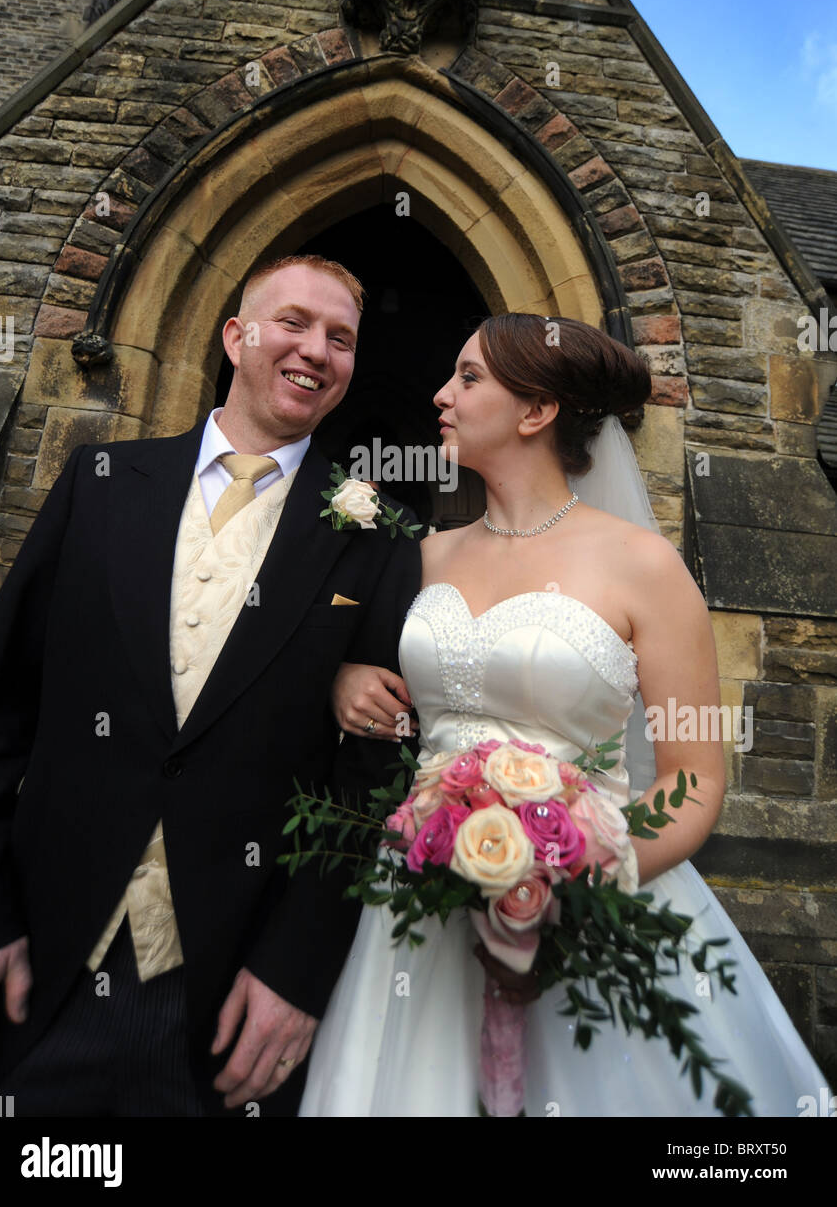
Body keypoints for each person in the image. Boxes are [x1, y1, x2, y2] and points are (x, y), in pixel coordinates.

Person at [300, 312, 833, 1117]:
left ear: (537, 410)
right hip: (421, 902)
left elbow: (693, 780)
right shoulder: (424, 556)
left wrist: (568, 886)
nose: (441, 395)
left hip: (588, 904)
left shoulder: (644, 566)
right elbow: (365, 681)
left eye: (468, 377)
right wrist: (346, 680)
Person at [0, 255, 421, 1117]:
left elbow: (369, 784)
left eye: (341, 338)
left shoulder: (383, 538)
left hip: (228, 1000)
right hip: (39, 958)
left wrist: (296, 972)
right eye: (293, 322)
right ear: (236, 336)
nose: (316, 350)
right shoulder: (100, 484)